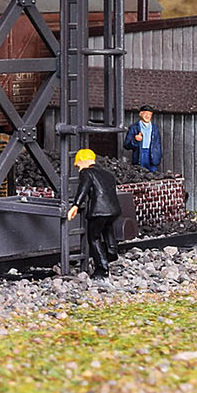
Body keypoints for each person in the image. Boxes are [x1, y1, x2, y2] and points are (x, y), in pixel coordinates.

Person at [65, 147, 124, 276]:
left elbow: (83, 189)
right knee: (108, 230)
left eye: (78, 165)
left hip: (99, 211)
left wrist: (75, 205)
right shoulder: (107, 174)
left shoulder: (87, 172)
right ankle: (112, 253)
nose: (78, 168)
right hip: (113, 210)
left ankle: (102, 269)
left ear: (83, 160)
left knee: (94, 238)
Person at [124, 107, 163, 172]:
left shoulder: (155, 128)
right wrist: (135, 140)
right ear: (140, 114)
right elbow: (126, 145)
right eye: (146, 114)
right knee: (139, 172)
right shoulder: (134, 127)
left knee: (153, 173)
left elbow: (157, 143)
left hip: (152, 155)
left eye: (150, 114)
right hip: (140, 154)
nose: (148, 116)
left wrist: (158, 155)